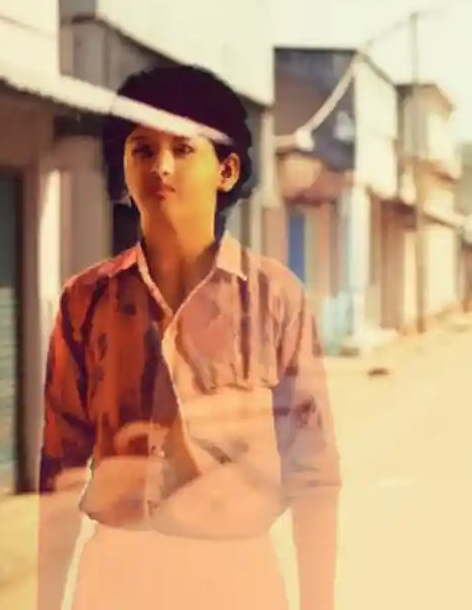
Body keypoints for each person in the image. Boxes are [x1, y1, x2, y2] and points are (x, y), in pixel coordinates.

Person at [37, 64, 341, 610]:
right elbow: (58, 467)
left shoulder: (274, 298)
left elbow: (314, 473)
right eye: (142, 150)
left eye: (182, 148)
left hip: (235, 579)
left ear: (225, 170)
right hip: (116, 578)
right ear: (124, 167)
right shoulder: (86, 301)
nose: (161, 166)